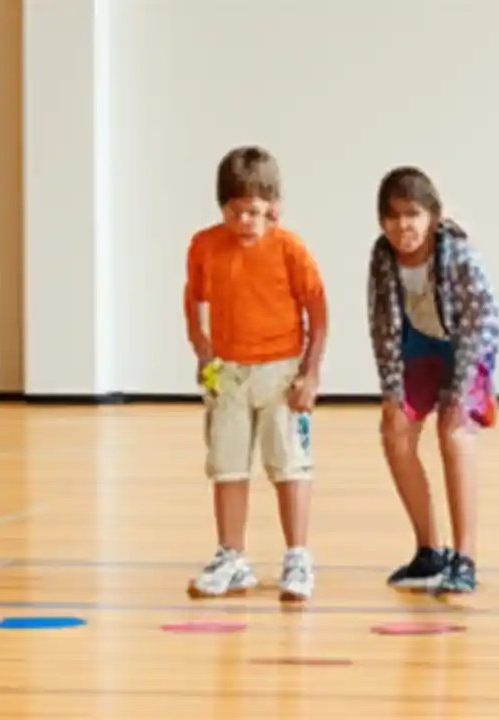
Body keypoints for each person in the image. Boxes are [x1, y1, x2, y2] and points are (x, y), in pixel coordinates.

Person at [183, 146, 327, 602]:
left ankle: (298, 556)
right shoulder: (204, 246)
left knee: (289, 464)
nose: (245, 222)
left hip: (281, 372)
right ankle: (231, 556)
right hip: (228, 373)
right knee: (226, 466)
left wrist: (310, 373)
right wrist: (204, 354)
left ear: (275, 207)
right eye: (236, 212)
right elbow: (195, 303)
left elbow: (318, 312)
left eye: (255, 212)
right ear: (222, 207)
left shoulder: (290, 249)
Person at [368, 167, 499, 595]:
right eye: (392, 216)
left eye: (412, 214)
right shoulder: (382, 257)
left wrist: (461, 391)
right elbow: (383, 327)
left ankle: (466, 557)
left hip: (466, 345)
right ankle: (430, 549)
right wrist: (392, 391)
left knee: (454, 431)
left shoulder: (457, 253)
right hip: (421, 345)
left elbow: (481, 322)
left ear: (433, 216)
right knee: (395, 431)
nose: (402, 225)